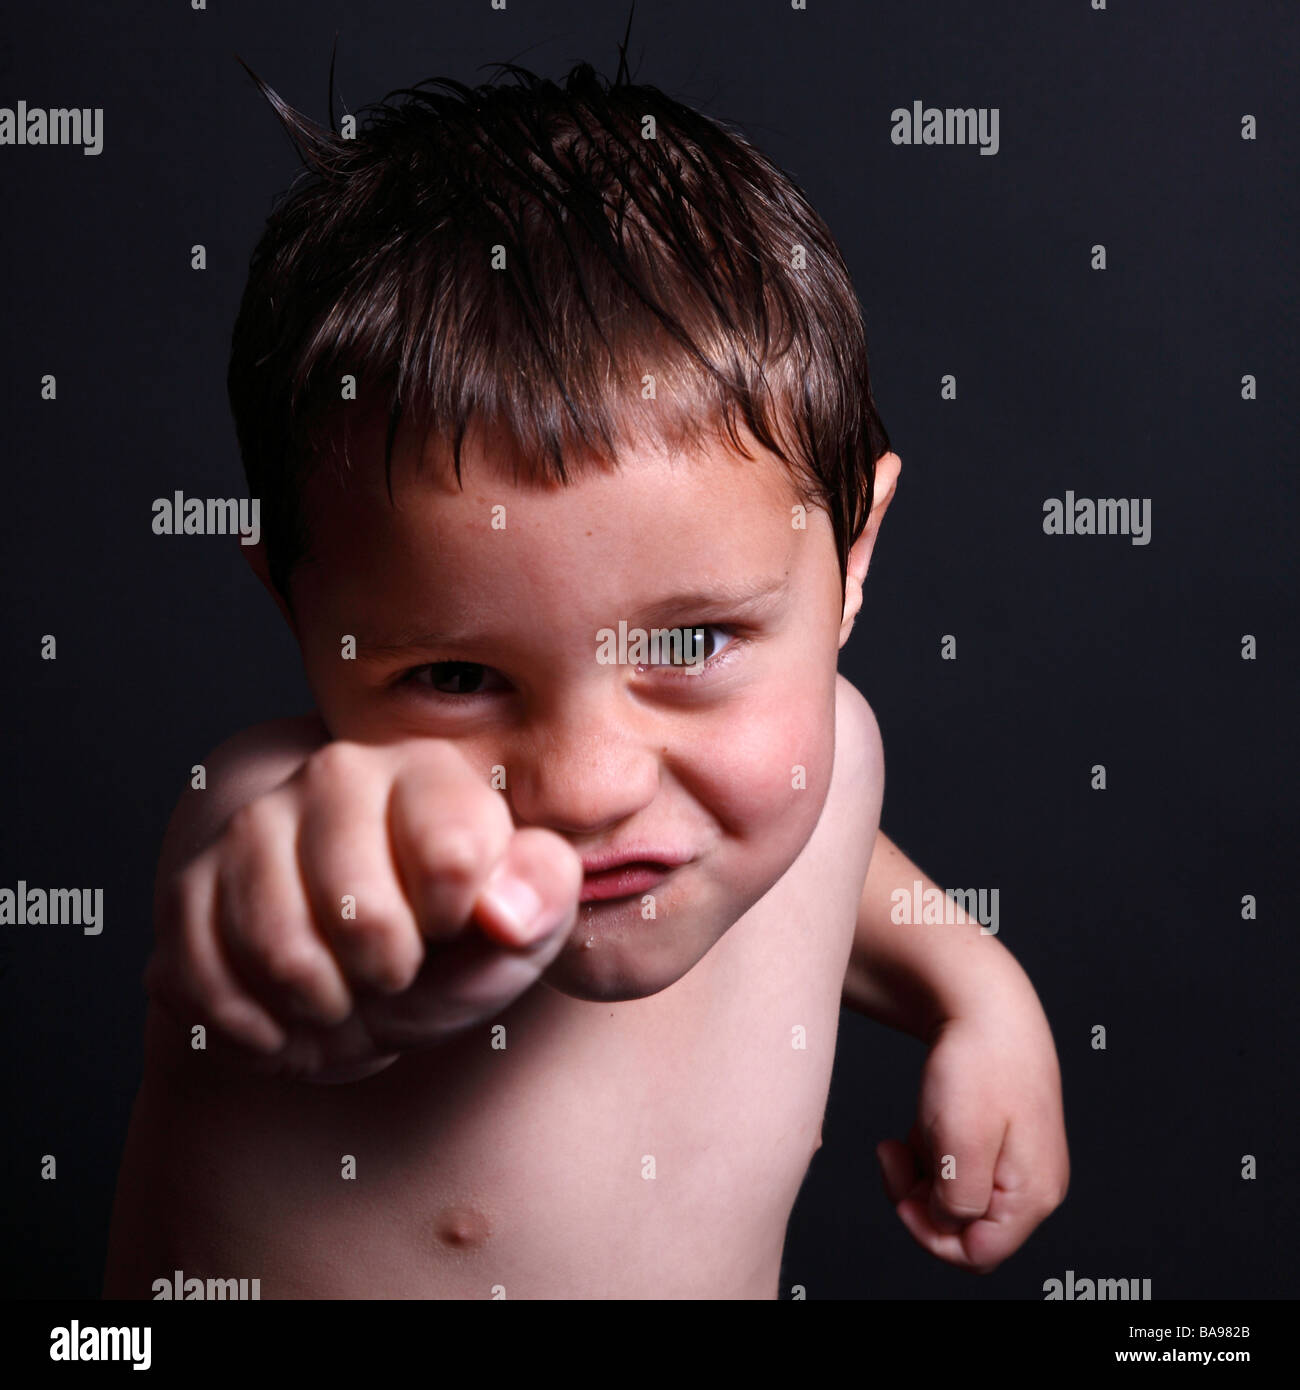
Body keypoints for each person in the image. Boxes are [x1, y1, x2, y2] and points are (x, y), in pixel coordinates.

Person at [104, 57, 1067, 1299]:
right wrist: (320, 940)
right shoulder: (276, 818)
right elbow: (289, 884)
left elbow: (836, 852)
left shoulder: (824, 755)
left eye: (687, 645)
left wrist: (978, 990)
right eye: (455, 676)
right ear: (299, 610)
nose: (592, 783)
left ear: (852, 556)